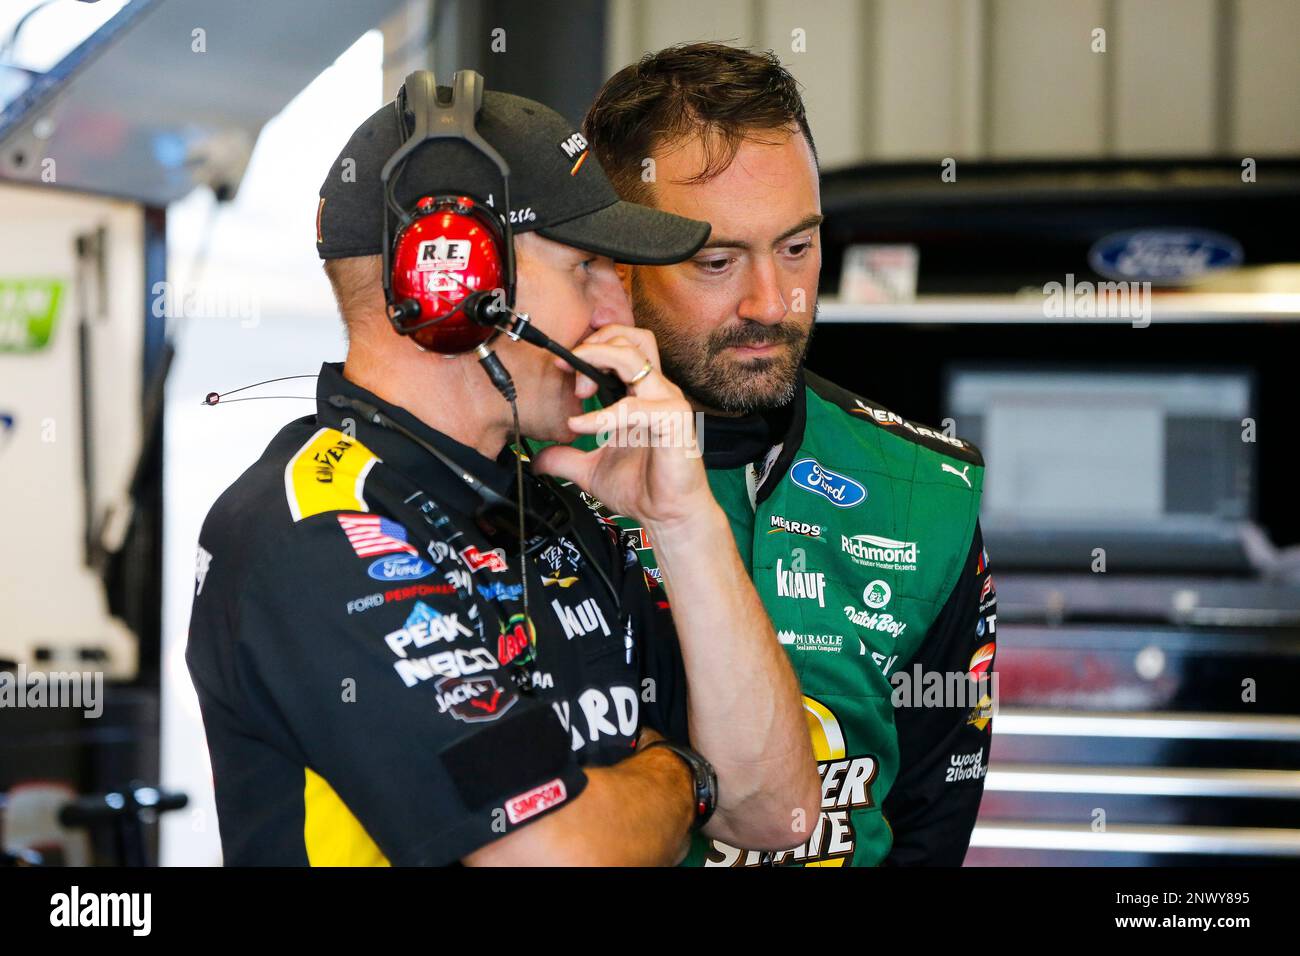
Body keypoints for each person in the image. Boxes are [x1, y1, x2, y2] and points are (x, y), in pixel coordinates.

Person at [185, 71, 818, 866]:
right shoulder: (312, 533)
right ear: (452, 286)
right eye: (586, 269)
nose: (619, 313)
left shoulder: (559, 511)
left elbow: (775, 811)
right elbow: (554, 856)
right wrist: (684, 775)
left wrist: (685, 523)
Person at [580, 44, 998, 866]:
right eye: (716, 261)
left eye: (798, 248)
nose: (772, 302)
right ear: (614, 264)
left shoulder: (927, 491)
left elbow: (929, 830)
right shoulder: (520, 474)